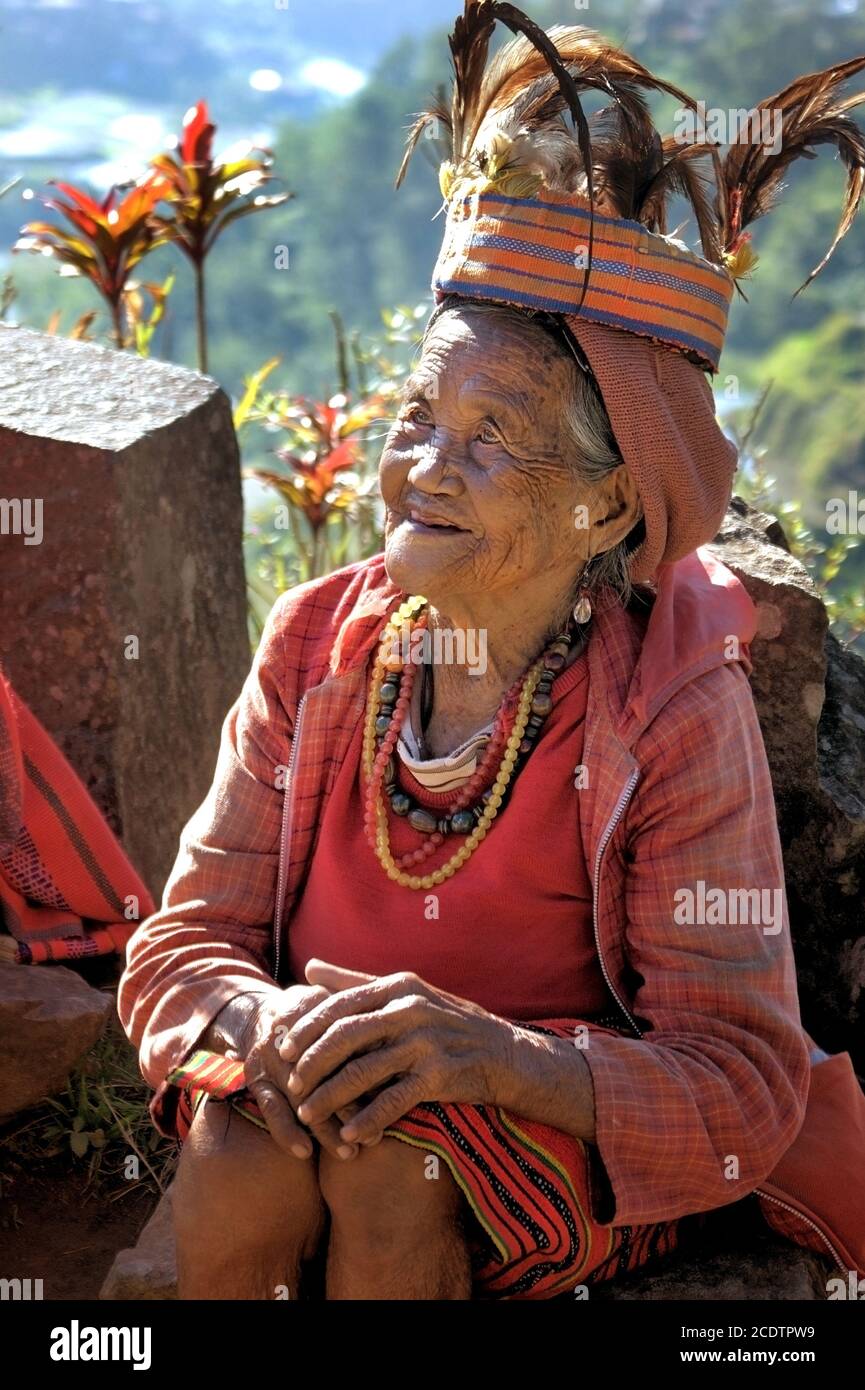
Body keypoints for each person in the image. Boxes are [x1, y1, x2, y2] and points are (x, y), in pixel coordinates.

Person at [118, 3, 865, 1299]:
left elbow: (737, 1081)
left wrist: (490, 1058)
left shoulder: (673, 710)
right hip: (321, 1084)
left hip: (551, 1126)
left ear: (609, 504)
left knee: (386, 1165)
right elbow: (181, 947)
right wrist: (267, 1022)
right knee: (245, 1138)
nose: (421, 468)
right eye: (417, 415)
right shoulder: (317, 642)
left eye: (489, 437)